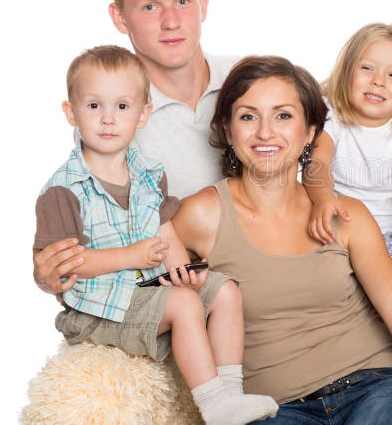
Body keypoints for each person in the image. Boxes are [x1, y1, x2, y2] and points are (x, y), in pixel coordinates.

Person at [171, 55, 392, 424]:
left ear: (310, 133)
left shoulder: (346, 215)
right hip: (278, 407)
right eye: (247, 116)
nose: (265, 132)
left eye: (283, 116)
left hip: (382, 382)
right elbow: (142, 287)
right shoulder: (200, 216)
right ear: (228, 131)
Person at [33, 46, 278, 425]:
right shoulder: (64, 190)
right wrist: (131, 256)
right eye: (94, 106)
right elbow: (68, 265)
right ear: (71, 113)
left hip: (148, 290)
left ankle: (231, 395)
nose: (108, 119)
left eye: (123, 107)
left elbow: (165, 232)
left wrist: (185, 271)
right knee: (183, 305)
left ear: (143, 114)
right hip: (101, 308)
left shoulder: (149, 174)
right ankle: (213, 406)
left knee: (224, 290)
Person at [33, 0, 237, 296]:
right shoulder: (113, 120)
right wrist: (50, 269)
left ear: (203, 4)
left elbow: (323, 121)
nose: (171, 21)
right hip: (185, 281)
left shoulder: (244, 80)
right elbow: (94, 231)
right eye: (149, 7)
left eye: (183, 1)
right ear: (120, 16)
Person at [303, 23, 392, 299]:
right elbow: (318, 163)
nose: (378, 81)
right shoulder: (331, 113)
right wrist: (321, 197)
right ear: (347, 71)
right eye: (367, 68)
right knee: (328, 284)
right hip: (344, 227)